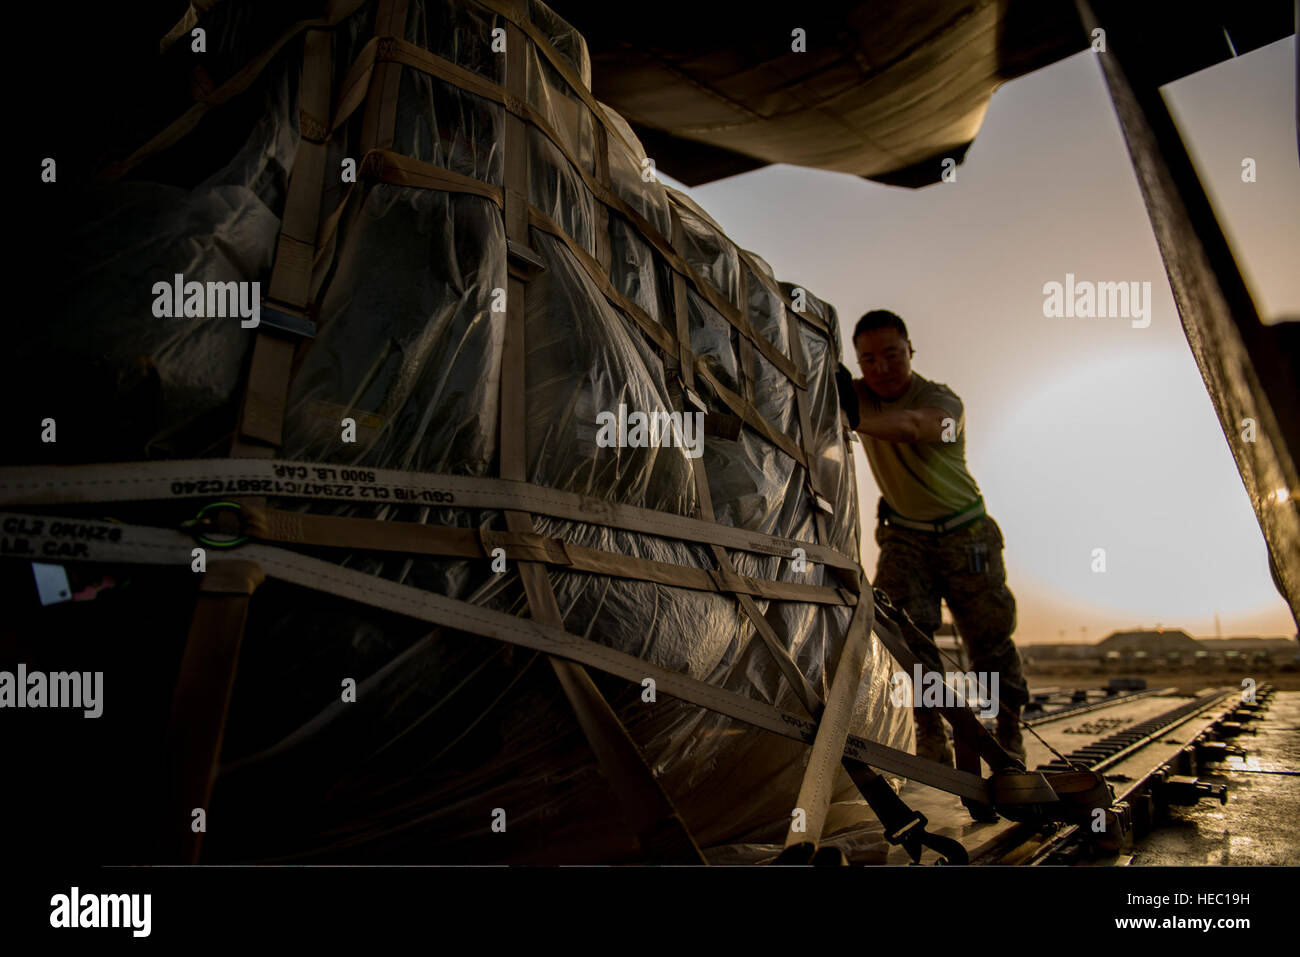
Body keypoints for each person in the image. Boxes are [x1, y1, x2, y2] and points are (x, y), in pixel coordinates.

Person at [835, 309, 1027, 765]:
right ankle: (931, 732)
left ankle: (1008, 730)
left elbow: (914, 428)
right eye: (868, 360)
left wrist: (852, 416)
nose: (881, 368)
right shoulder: (856, 395)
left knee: (989, 641)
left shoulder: (943, 404)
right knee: (904, 636)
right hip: (905, 537)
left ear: (910, 352)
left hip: (967, 534)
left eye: (892, 355)